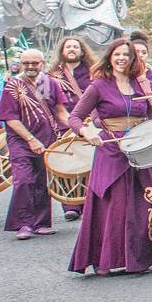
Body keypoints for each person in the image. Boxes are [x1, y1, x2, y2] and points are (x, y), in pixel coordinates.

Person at [67, 38, 152, 276]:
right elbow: (75, 118)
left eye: (126, 56)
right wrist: (88, 131)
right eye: (117, 54)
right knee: (115, 206)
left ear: (133, 60)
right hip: (111, 151)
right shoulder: (98, 86)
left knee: (143, 205)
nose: (122, 59)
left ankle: (140, 259)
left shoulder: (142, 86)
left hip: (141, 151)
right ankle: (106, 259)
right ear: (110, 56)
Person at [0, 49, 70, 239]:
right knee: (23, 180)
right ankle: (24, 223)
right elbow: (10, 119)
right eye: (26, 63)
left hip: (47, 137)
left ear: (42, 63)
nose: (30, 66)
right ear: (20, 63)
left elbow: (60, 111)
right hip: (20, 141)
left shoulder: (50, 83)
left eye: (34, 63)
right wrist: (30, 139)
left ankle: (42, 222)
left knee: (42, 182)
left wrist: (77, 127)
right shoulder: (12, 85)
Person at [48, 35, 96, 220]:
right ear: (62, 51)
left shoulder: (93, 72)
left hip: (89, 123)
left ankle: (87, 202)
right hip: (62, 125)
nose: (72, 49)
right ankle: (70, 205)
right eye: (68, 47)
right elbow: (46, 99)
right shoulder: (51, 74)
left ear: (82, 51)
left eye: (75, 47)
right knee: (66, 163)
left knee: (87, 163)